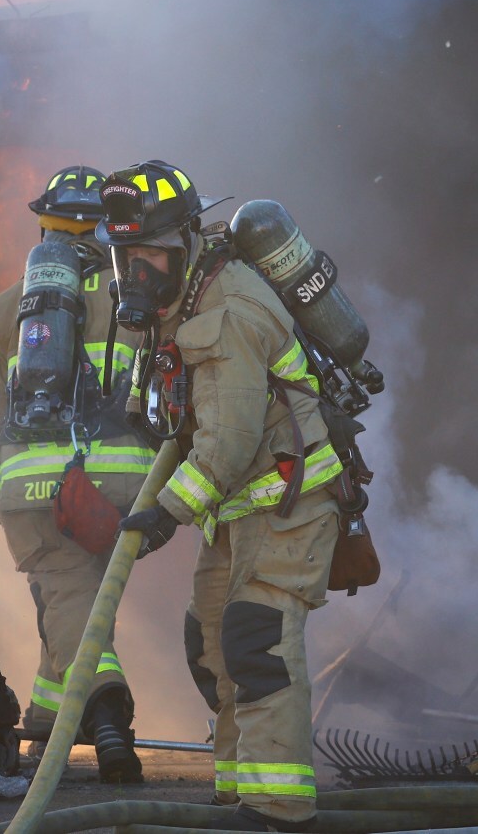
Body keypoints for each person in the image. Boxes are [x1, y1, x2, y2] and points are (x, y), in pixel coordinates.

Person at [100, 161, 342, 830]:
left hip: (288, 502)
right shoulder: (188, 302)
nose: (138, 272)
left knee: (257, 641)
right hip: (242, 507)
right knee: (210, 640)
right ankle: (236, 794)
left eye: (151, 254)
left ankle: (278, 808)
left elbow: (229, 444)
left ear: (184, 245)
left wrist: (164, 515)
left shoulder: (227, 309)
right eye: (127, 257)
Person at [0, 165, 154, 782]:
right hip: (122, 487)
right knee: (74, 598)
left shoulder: (9, 309)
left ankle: (106, 721)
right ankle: (50, 723)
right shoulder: (136, 299)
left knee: (67, 595)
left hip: (31, 490)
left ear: (45, 224)